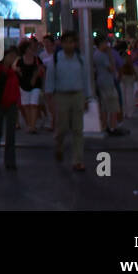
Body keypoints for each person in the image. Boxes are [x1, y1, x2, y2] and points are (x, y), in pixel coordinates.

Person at [45, 30, 91, 171]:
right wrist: (49, 98)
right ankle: (59, 146)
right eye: (66, 42)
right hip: (61, 96)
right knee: (62, 128)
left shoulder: (81, 59)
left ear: (75, 44)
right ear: (62, 43)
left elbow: (86, 79)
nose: (69, 45)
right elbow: (50, 80)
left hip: (77, 95)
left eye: (71, 42)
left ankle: (77, 160)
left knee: (78, 129)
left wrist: (87, 98)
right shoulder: (56, 59)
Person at [94, 36, 126, 136]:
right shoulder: (102, 55)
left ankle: (106, 126)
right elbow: (112, 68)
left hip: (103, 82)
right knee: (112, 106)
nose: (107, 45)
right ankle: (112, 126)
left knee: (105, 106)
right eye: (105, 43)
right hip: (107, 82)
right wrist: (110, 55)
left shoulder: (96, 54)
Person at [16, 40, 44, 133]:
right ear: (25, 49)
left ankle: (32, 126)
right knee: (26, 105)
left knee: (34, 104)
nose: (32, 49)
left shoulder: (36, 59)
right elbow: (16, 70)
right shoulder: (20, 60)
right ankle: (30, 124)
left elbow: (41, 69)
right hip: (23, 85)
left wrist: (35, 77)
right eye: (29, 48)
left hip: (35, 84)